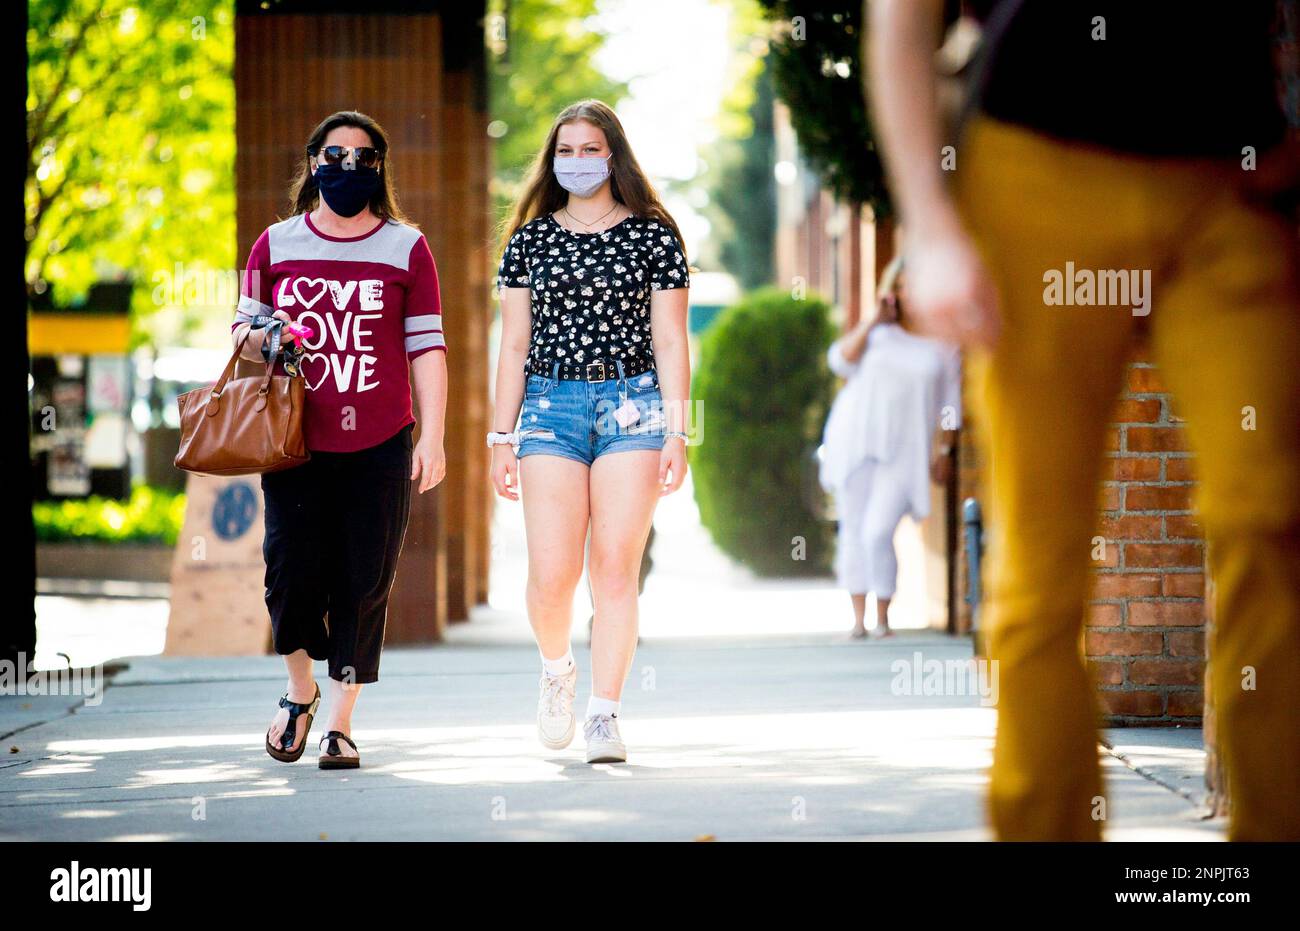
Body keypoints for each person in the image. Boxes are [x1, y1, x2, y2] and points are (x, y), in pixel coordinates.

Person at [868, 0, 1300, 839]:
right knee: (1041, 558)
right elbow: (899, 16)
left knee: (1271, 510)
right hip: (1037, 175)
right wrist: (927, 223)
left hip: (1229, 184)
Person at [236, 111, 448, 770]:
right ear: (313, 160)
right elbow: (240, 335)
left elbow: (427, 347)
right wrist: (273, 336)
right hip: (295, 440)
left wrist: (433, 435)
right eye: (335, 154)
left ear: (380, 169)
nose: (347, 167)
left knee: (364, 582)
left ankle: (340, 723)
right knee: (290, 577)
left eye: (362, 157)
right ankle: (300, 694)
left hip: (382, 440)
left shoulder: (407, 248)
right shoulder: (274, 244)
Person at [490, 100, 691, 764]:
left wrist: (678, 430)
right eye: (565, 151)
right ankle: (557, 671)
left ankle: (604, 713)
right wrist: (500, 436)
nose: (577, 162)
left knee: (614, 568)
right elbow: (514, 342)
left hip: (634, 405)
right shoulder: (529, 240)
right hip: (549, 406)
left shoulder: (655, 235)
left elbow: (669, 337)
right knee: (552, 575)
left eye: (590, 149)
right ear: (553, 160)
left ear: (615, 155)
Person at [820, 256, 960, 639]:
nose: (907, 292)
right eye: (901, 285)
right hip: (855, 440)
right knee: (853, 528)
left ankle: (883, 616)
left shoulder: (945, 342)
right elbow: (840, 362)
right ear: (892, 291)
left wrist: (945, 451)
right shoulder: (877, 333)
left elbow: (950, 406)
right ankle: (859, 620)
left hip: (907, 450)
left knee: (877, 530)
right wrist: (872, 321)